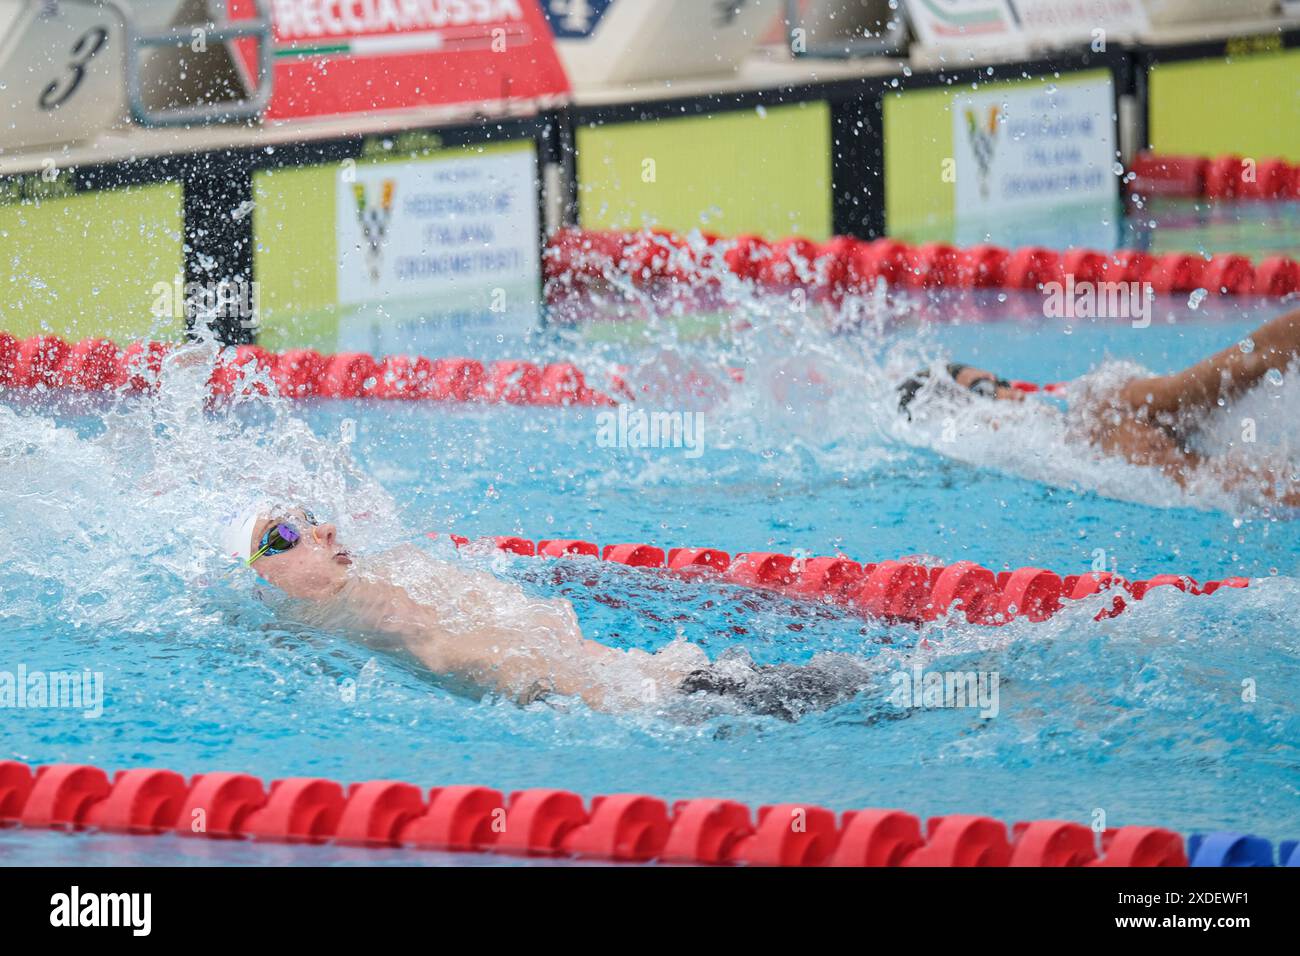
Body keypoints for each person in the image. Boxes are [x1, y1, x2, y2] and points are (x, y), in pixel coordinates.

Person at [220, 506, 866, 720]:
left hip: (660, 694)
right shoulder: (343, 608)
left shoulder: (365, 594)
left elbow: (471, 650)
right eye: (284, 536)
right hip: (661, 692)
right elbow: (455, 652)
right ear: (257, 577)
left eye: (310, 516)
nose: (324, 529)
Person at [897, 307, 1300, 507]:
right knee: (1214, 473)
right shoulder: (972, 438)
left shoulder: (1038, 426)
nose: (1007, 391)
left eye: (999, 380)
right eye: (986, 388)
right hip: (1093, 426)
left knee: (1230, 382)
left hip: (1095, 409)